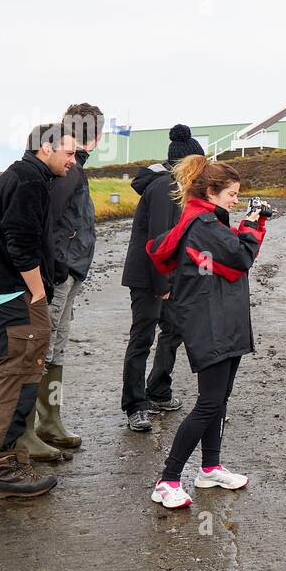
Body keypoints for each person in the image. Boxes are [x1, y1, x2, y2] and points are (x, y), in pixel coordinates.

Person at [144, 155, 268, 508]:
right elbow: (239, 259)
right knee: (209, 403)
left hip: (224, 321)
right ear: (211, 192)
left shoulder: (208, 220)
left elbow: (227, 264)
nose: (235, 200)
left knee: (219, 400)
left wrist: (246, 224)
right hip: (209, 323)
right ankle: (167, 480)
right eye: (231, 194)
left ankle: (210, 467)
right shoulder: (202, 225)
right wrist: (253, 224)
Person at [0, 124, 77, 498]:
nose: (73, 161)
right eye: (69, 153)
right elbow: (20, 243)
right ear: (46, 148)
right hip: (15, 297)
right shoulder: (30, 181)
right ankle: (4, 468)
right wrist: (38, 294)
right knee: (17, 379)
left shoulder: (15, 176)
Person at [24, 103, 104, 454]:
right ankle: (28, 429)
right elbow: (49, 222)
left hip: (68, 271)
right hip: (60, 272)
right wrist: (59, 268)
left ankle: (50, 421)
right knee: (42, 345)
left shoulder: (69, 168)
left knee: (55, 345)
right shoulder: (67, 172)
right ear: (98, 136)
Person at [119, 124, 200, 432]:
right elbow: (157, 241)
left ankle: (158, 390)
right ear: (187, 163)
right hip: (148, 278)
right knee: (142, 338)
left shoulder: (177, 188)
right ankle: (135, 405)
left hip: (167, 275)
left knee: (174, 328)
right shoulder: (164, 189)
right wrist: (163, 286)